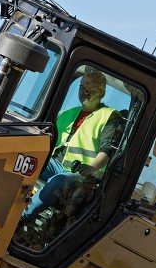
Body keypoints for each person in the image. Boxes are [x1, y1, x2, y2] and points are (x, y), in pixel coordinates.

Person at [21, 69, 122, 223]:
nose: (85, 92)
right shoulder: (67, 114)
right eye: (83, 88)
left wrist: (91, 168)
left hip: (82, 178)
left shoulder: (110, 116)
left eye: (92, 89)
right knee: (27, 157)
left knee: (59, 180)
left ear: (102, 93)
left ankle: (21, 217)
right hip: (55, 166)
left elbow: (107, 150)